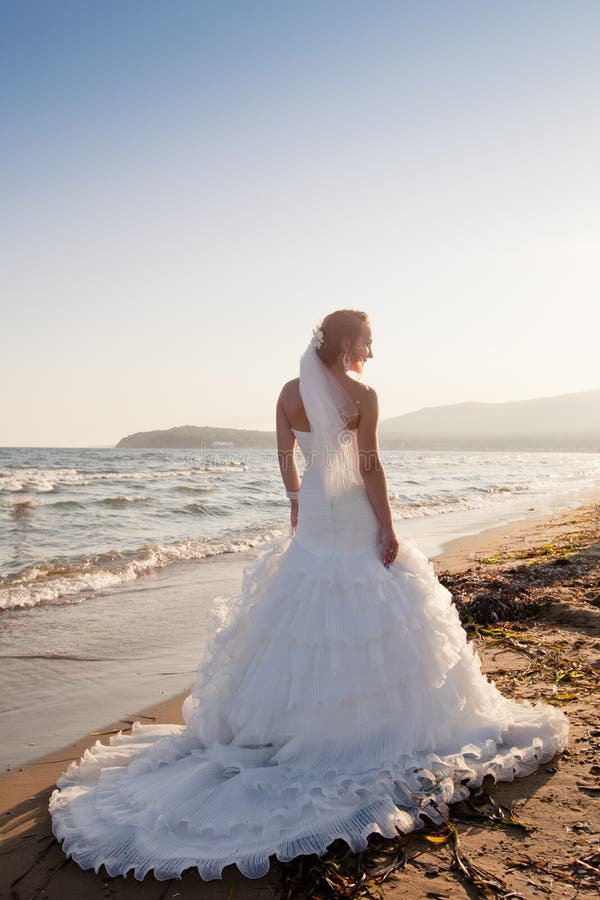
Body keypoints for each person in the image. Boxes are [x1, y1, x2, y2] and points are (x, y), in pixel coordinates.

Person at [49, 309, 569, 882]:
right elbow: (369, 464)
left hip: (317, 510)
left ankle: (293, 725)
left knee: (303, 611)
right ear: (346, 342)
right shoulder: (363, 396)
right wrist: (389, 528)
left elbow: (284, 457)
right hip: (349, 511)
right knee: (367, 608)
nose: (372, 349)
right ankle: (357, 730)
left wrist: (296, 499)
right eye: (368, 339)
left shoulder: (290, 392)